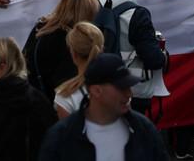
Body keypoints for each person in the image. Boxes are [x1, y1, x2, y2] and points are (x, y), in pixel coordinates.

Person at [36, 53, 169, 160]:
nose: (129, 93)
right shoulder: (61, 137)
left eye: (129, 86)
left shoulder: (144, 130)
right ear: (96, 91)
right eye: (121, 87)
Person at [95, 0, 168, 112]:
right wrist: (163, 55)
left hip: (95, 89)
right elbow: (154, 59)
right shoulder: (138, 14)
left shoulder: (87, 4)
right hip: (131, 93)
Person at [23, 0, 102, 102]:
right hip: (52, 103)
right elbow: (66, 81)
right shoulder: (67, 39)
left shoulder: (42, 27)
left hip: (32, 96)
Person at [53, 22, 104, 119]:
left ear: (73, 54)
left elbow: (67, 133)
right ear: (101, 49)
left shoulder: (65, 96)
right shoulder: (119, 84)